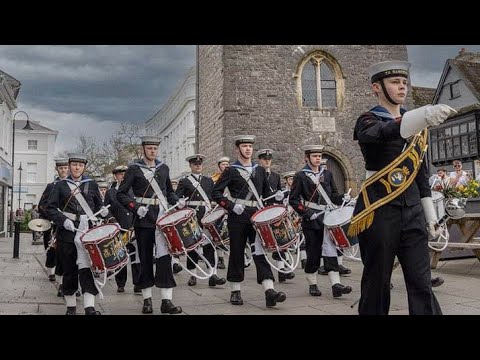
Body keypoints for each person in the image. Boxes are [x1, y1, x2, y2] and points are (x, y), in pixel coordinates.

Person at [350, 60, 456, 314]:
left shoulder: (415, 126)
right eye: (395, 82)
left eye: (404, 82)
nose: (402, 87)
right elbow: (381, 133)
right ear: (377, 87)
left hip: (412, 212)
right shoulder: (367, 120)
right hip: (379, 210)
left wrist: (431, 216)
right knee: (377, 283)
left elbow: (420, 173)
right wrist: (420, 116)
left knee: (421, 283)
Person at [212, 135, 287, 307]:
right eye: (244, 146)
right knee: (237, 253)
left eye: (250, 146)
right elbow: (216, 193)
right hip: (237, 217)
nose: (248, 149)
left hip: (256, 216)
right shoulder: (230, 170)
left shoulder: (259, 170)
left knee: (260, 253)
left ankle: (269, 290)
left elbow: (266, 194)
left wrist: (277, 196)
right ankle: (235, 290)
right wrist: (230, 206)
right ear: (237, 149)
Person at [117, 136, 183, 314]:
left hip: (162, 218)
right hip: (143, 219)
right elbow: (121, 194)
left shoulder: (164, 168)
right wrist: (135, 208)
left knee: (164, 259)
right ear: (143, 149)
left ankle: (166, 301)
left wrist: (177, 200)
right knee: (144, 259)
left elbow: (169, 191)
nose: (153, 151)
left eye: (155, 148)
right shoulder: (134, 169)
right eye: (150, 148)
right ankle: (147, 300)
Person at [46, 153, 109, 315]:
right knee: (69, 269)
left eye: (80, 165)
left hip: (86, 231)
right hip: (67, 232)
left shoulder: (92, 185)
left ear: (84, 167)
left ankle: (90, 307)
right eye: (74, 165)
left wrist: (103, 212)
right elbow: (50, 208)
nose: (76, 168)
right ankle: (71, 307)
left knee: (87, 268)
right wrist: (62, 220)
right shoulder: (60, 185)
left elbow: (98, 206)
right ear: (69, 166)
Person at [289, 145, 353, 298]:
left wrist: (342, 197)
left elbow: (334, 196)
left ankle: (336, 285)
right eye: (314, 156)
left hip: (328, 217)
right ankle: (313, 284)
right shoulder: (301, 176)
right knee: (313, 253)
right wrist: (306, 213)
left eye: (319, 156)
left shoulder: (328, 174)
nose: (318, 158)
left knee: (331, 250)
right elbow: (294, 199)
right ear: (307, 158)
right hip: (311, 220)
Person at [175, 154, 226, 287]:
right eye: (195, 163)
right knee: (193, 246)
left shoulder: (208, 181)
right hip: (192, 217)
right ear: (191, 165)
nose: (198, 165)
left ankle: (212, 274)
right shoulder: (185, 181)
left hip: (206, 215)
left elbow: (214, 196)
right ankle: (193, 275)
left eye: (200, 163)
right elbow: (176, 197)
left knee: (210, 246)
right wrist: (179, 202)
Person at [257, 148, 295, 282]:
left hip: (273, 211)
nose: (267, 162)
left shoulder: (275, 176)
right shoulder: (256, 175)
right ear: (260, 160)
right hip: (261, 210)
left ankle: (281, 271)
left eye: (269, 160)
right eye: (264, 159)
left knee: (280, 239)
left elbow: (278, 192)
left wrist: (280, 195)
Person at [104, 165, 142, 294]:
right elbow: (106, 209)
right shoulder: (110, 192)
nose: (123, 176)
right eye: (120, 174)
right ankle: (120, 283)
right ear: (116, 176)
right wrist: (110, 220)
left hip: (133, 227)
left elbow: (139, 207)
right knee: (120, 258)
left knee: (136, 257)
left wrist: (135, 225)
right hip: (118, 229)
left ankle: (138, 283)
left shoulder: (134, 190)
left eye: (125, 174)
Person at [38, 158, 69, 284]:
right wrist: (51, 215)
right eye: (61, 168)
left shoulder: (71, 186)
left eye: (65, 168)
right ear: (57, 169)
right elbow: (41, 205)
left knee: (64, 250)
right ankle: (51, 271)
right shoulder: (51, 186)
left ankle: (62, 273)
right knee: (51, 248)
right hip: (51, 222)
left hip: (66, 223)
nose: (63, 170)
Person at [211, 156, 230, 269]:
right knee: (219, 234)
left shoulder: (234, 176)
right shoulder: (213, 179)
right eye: (223, 164)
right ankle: (221, 258)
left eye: (227, 164)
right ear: (219, 166)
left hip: (232, 208)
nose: (225, 166)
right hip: (219, 209)